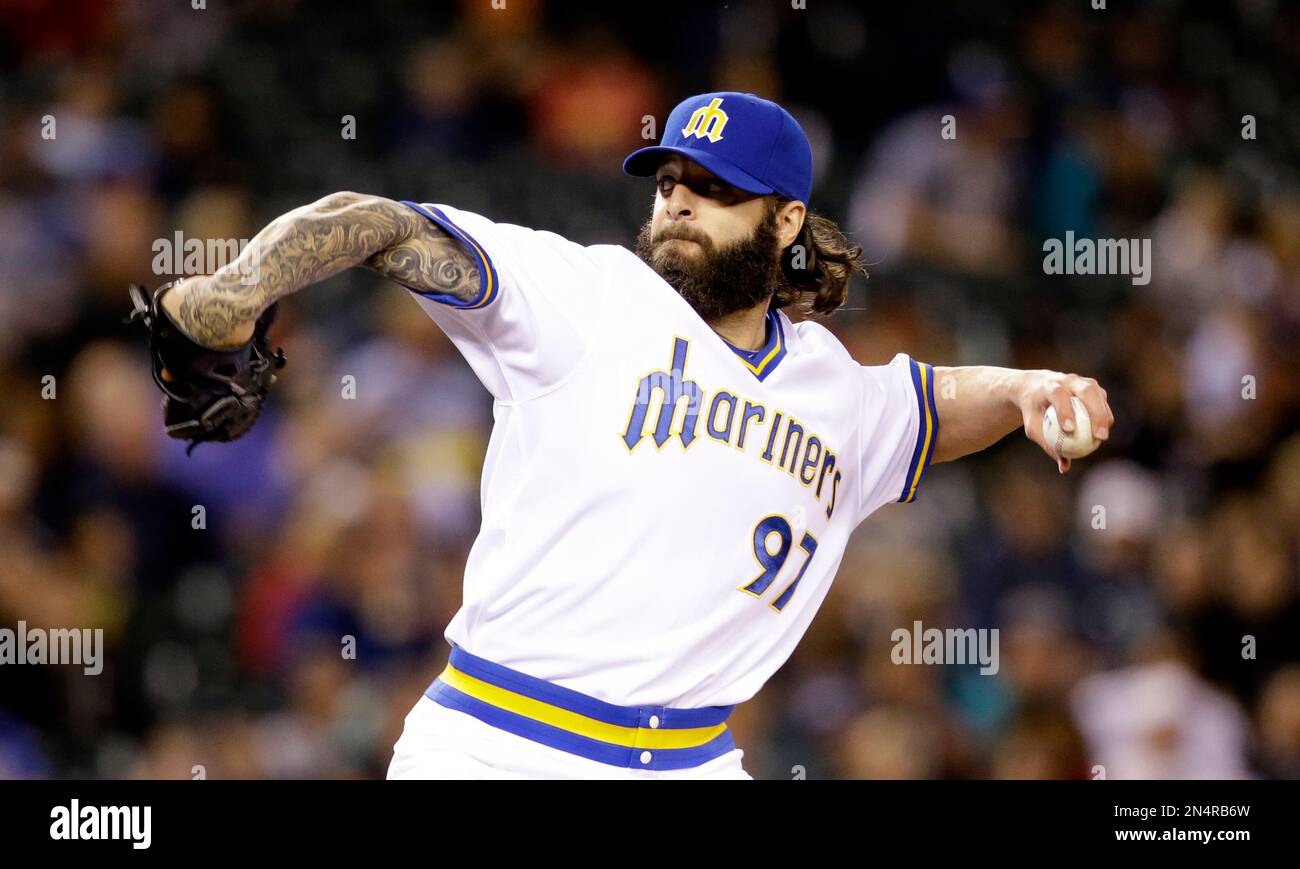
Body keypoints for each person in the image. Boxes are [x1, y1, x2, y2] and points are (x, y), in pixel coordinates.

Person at [151, 92, 1114, 779]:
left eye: (714, 186)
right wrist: (233, 293)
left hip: (692, 756)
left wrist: (1032, 384)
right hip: (498, 746)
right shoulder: (587, 295)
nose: (678, 200)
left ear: (784, 220)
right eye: (668, 180)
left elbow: (938, 406)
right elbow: (375, 223)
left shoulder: (836, 389)